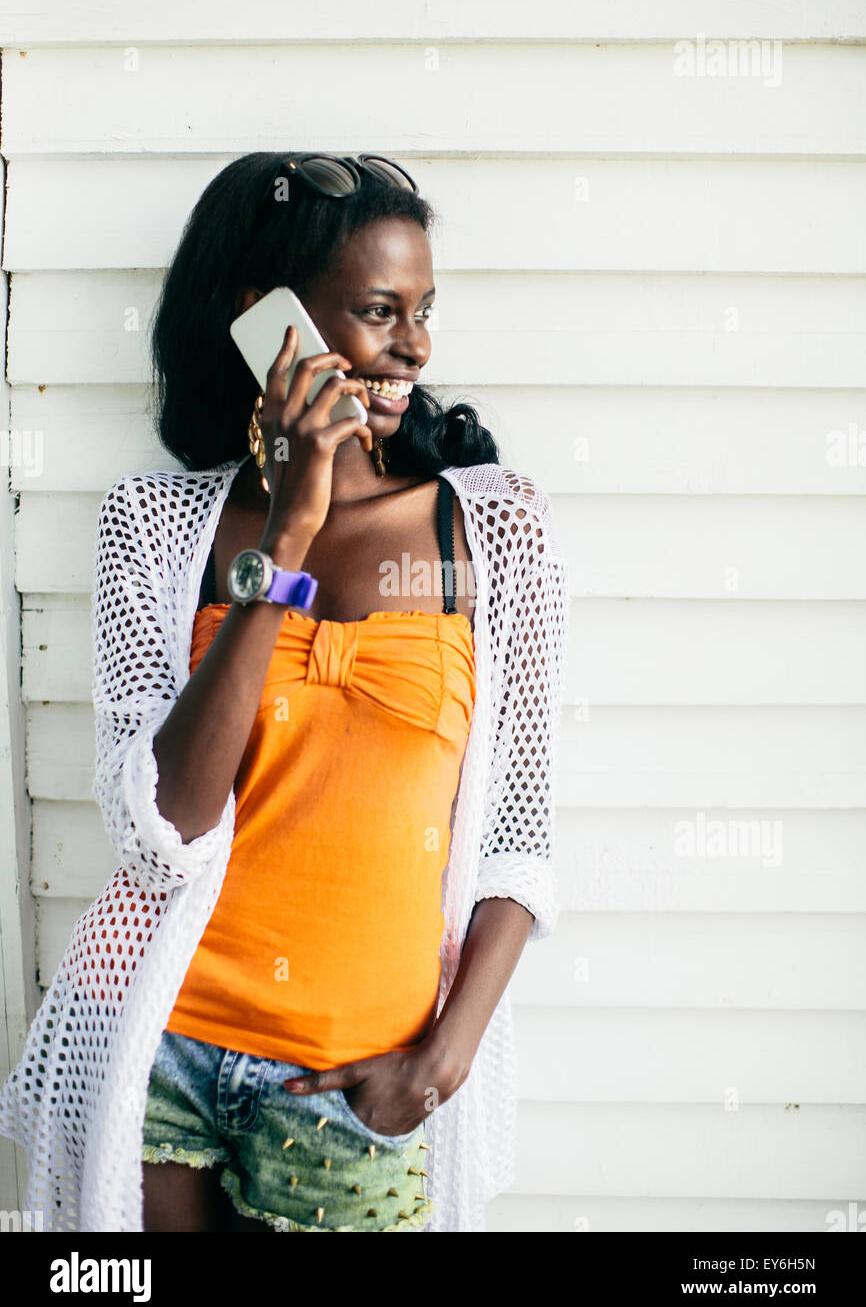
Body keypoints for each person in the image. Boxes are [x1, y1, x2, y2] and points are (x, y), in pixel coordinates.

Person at [0, 152, 570, 1232]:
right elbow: (163, 819)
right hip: (155, 1043)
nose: (415, 348)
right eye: (377, 311)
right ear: (264, 325)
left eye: (423, 310)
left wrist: (435, 1067)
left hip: (355, 1085)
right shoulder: (158, 524)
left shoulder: (491, 529)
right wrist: (287, 540)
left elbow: (517, 845)